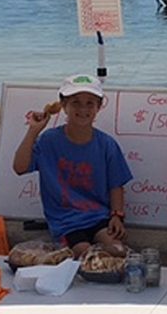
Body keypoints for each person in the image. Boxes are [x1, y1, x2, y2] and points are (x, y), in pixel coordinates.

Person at [13, 74, 133, 257]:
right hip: (66, 222)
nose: (83, 109)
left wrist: (117, 215)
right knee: (86, 255)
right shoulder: (49, 140)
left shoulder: (106, 144)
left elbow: (116, 184)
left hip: (98, 217)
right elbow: (19, 167)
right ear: (64, 106)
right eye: (76, 102)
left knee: (118, 251)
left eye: (90, 103)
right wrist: (34, 131)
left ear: (99, 107)